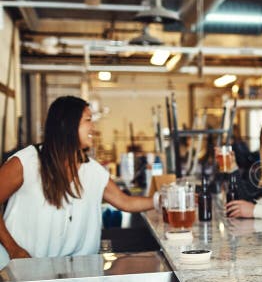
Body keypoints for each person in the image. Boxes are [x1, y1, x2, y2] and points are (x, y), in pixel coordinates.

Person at [0, 96, 155, 269]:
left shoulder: (92, 170)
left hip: (70, 277)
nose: (93, 128)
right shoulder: (26, 162)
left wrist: (159, 200)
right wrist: (14, 250)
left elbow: (125, 202)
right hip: (18, 272)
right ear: (68, 124)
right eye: (88, 120)